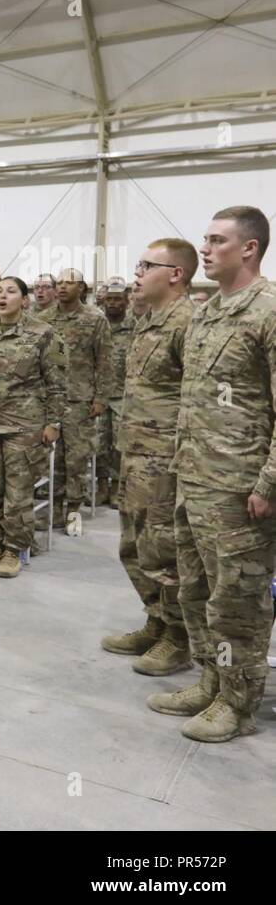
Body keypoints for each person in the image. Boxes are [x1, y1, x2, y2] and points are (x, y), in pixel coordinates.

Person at [161, 206, 276, 741]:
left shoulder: (269, 311)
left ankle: (237, 703)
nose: (203, 249)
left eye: (216, 240)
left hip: (239, 488)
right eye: (203, 239)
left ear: (249, 248)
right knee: (195, 590)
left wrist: (269, 483)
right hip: (195, 478)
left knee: (237, 600)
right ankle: (211, 679)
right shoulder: (206, 313)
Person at [99, 240, 197, 676]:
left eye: (146, 266)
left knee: (165, 553)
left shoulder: (188, 322)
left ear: (175, 274)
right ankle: (156, 621)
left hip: (166, 460)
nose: (136, 274)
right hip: (135, 453)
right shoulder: (148, 320)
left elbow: (197, 399)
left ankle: (179, 637)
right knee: (133, 548)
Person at [0, 277, 64, 577]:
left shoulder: (43, 333)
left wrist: (53, 422)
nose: (3, 296)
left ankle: (13, 549)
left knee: (17, 493)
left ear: (25, 299)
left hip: (24, 425)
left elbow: (56, 382)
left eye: (11, 292)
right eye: (0, 292)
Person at [39, 269, 114, 520]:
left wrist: (102, 398)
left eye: (69, 283)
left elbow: (105, 361)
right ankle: (56, 503)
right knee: (54, 455)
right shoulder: (44, 318)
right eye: (58, 283)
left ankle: (74, 506)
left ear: (81, 288)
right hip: (51, 397)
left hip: (81, 398)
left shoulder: (95, 319)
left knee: (77, 456)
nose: (62, 287)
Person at [98, 280, 135, 506]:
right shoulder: (97, 324)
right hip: (100, 394)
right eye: (109, 299)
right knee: (99, 443)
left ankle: (116, 486)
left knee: (119, 444)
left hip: (123, 395)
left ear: (126, 301)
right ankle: (101, 485)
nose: (113, 304)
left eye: (117, 299)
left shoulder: (135, 326)